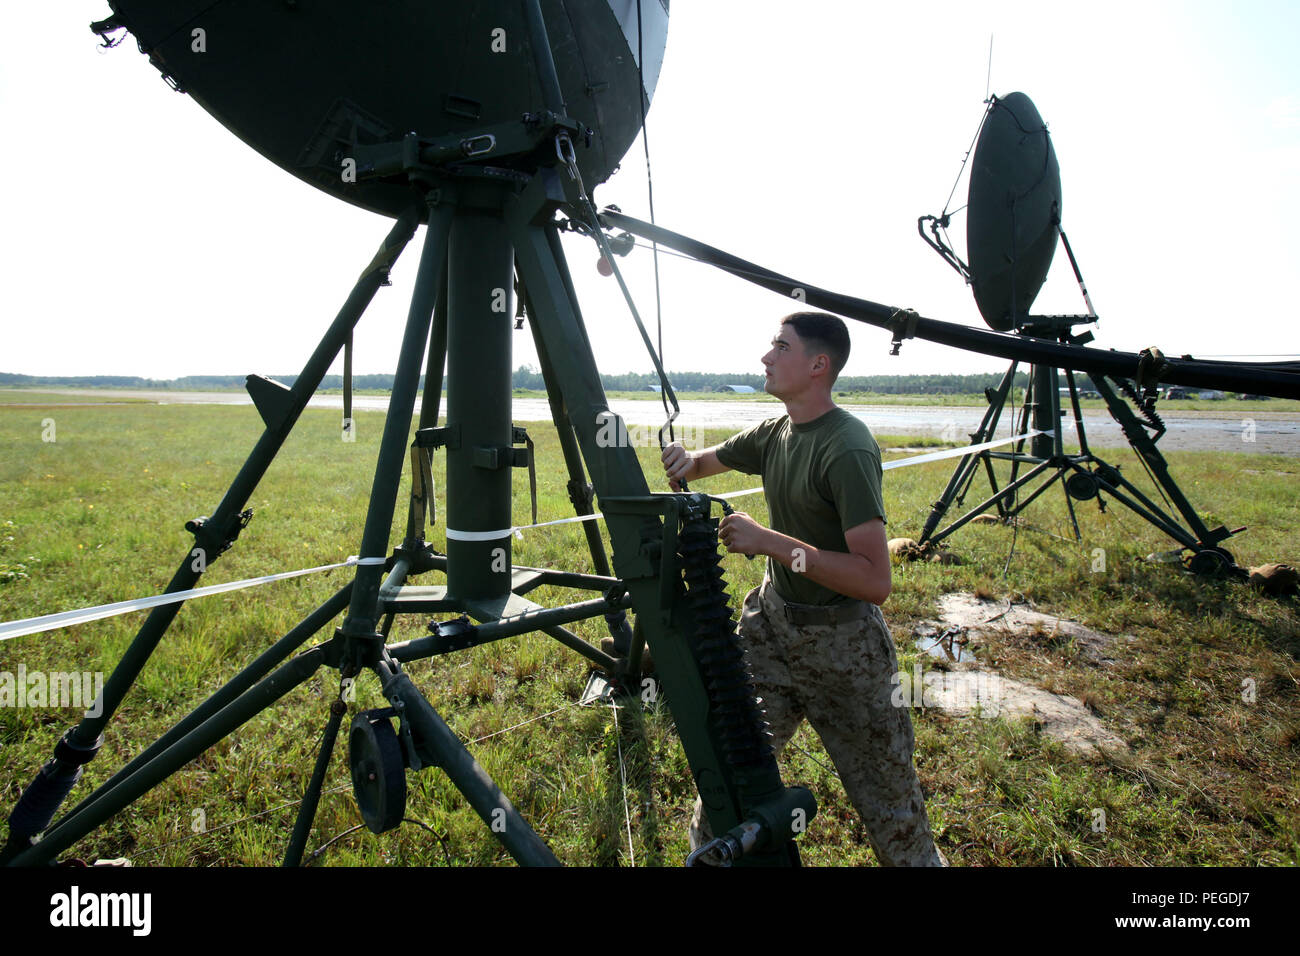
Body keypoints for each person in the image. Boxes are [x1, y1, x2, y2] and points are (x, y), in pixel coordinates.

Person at [661, 311, 946, 867]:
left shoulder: (847, 447)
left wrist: (770, 542)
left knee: (891, 807)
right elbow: (698, 465)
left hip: (844, 648)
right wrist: (680, 461)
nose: (766, 358)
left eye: (779, 347)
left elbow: (874, 579)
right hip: (770, 631)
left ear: (818, 365)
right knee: (727, 777)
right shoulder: (775, 433)